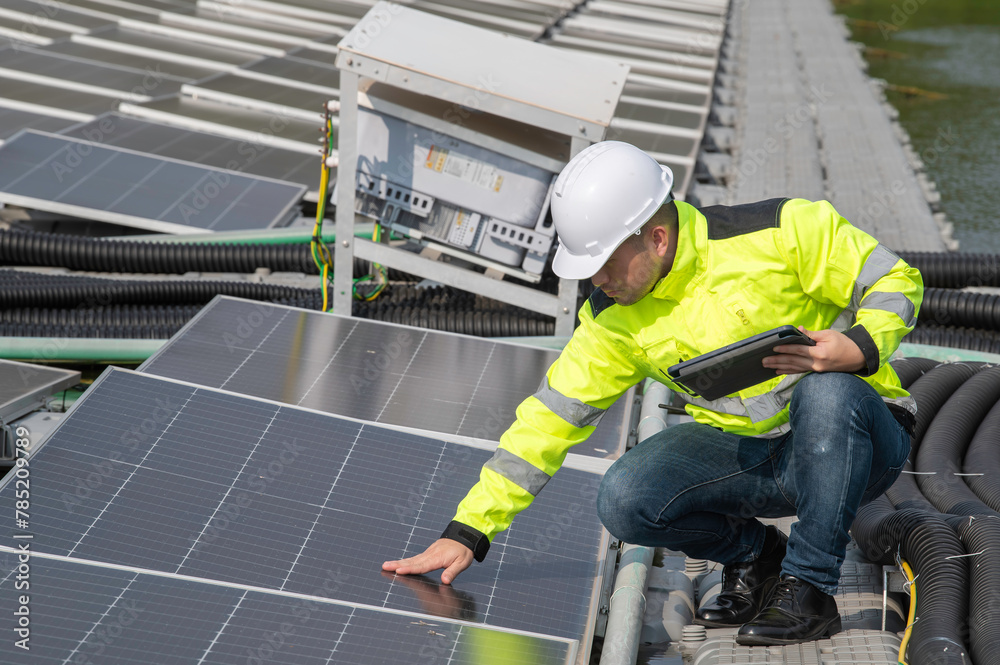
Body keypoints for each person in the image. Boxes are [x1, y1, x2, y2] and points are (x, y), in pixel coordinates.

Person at [384, 140, 921, 646]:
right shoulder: (613, 320)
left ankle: (809, 589)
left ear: (657, 239)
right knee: (625, 498)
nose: (597, 280)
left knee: (827, 393)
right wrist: (469, 529)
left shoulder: (781, 230)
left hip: (860, 445)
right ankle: (760, 557)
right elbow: (547, 421)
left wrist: (858, 346)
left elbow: (896, 279)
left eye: (604, 264)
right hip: (761, 459)